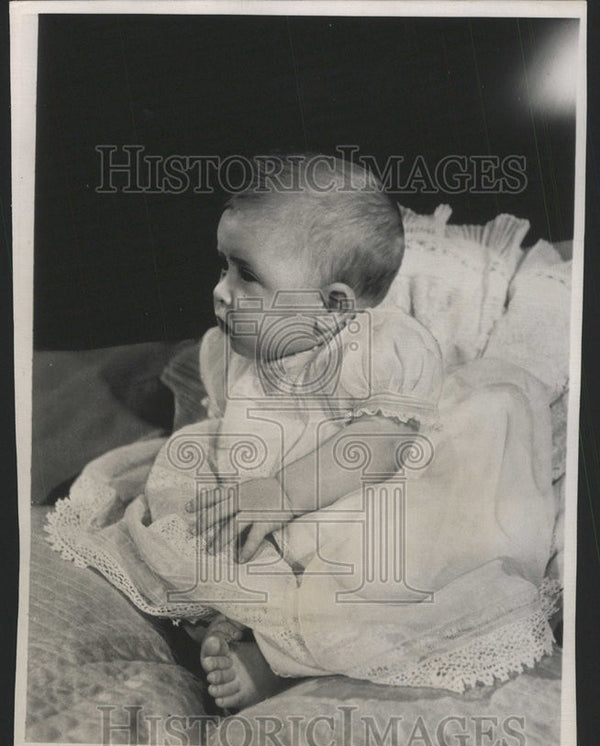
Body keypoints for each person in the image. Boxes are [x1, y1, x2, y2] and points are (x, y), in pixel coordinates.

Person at [47, 154, 556, 710]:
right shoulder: (230, 347)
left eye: (248, 275)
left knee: (377, 562)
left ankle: (276, 659)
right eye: (223, 266)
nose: (221, 290)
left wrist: (283, 494)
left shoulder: (377, 346)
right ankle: (223, 617)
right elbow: (223, 429)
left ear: (333, 306)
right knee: (187, 502)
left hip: (356, 493)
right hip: (263, 496)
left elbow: (380, 444)